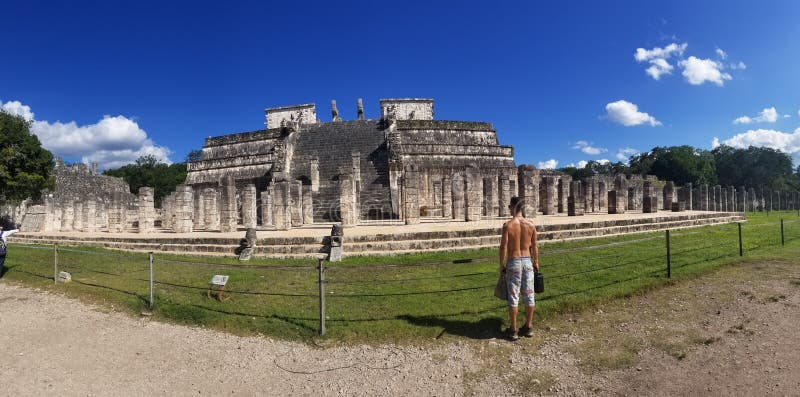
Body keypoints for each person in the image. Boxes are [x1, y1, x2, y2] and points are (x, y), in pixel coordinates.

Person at [499, 196, 539, 341]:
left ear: (513, 207)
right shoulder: (531, 224)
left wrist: (501, 264)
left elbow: (503, 246)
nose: (509, 209)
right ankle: (528, 326)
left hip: (514, 262)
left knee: (514, 296)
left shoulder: (508, 225)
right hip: (527, 261)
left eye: (510, 207)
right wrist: (536, 261)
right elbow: (534, 245)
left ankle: (513, 329)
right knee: (529, 294)